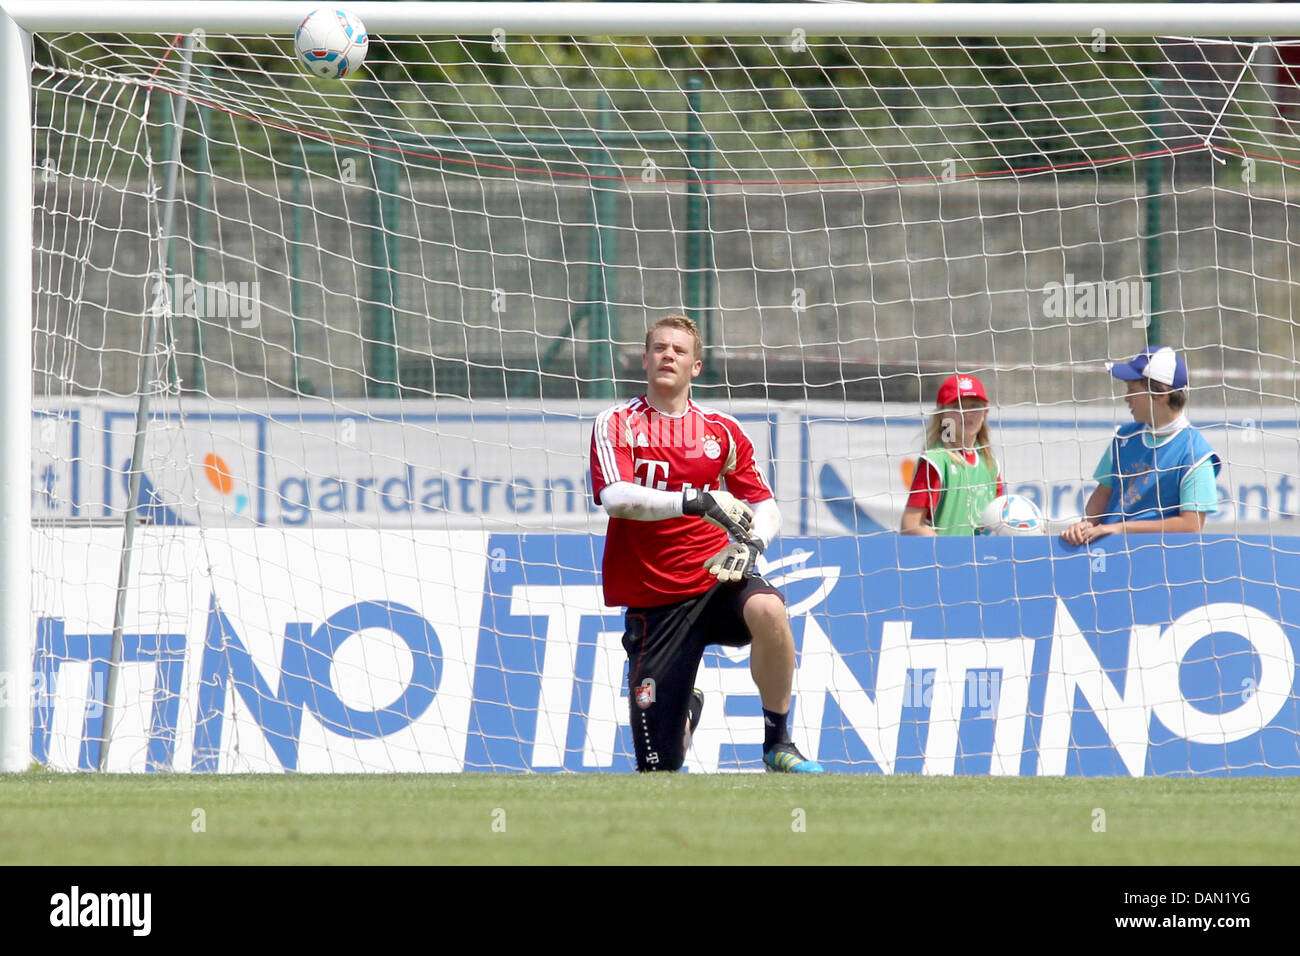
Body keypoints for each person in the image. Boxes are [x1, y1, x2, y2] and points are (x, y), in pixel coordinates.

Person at [589, 314, 823, 773]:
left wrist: (754, 543)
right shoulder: (616, 423)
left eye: (679, 351)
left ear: (695, 367)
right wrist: (693, 500)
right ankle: (684, 704)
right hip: (655, 600)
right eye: (659, 348)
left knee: (770, 609)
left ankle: (777, 741)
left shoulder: (722, 430)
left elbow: (766, 504)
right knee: (659, 768)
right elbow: (616, 498)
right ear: (644, 359)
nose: (667, 356)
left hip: (718, 577)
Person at [1061, 346, 1220, 545]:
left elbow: (1191, 526)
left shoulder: (1196, 454)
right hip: (1108, 549)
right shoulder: (1124, 438)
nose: (1126, 398)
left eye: (1132, 391)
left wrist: (1120, 528)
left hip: (1160, 559)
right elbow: (1104, 492)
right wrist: (1086, 524)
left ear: (1160, 394)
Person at [901, 373, 1004, 535]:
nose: (967, 413)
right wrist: (948, 551)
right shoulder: (936, 461)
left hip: (982, 559)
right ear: (942, 413)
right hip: (944, 559)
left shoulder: (990, 464)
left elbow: (999, 522)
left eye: (974, 406)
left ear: (985, 411)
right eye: (958, 407)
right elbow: (911, 524)